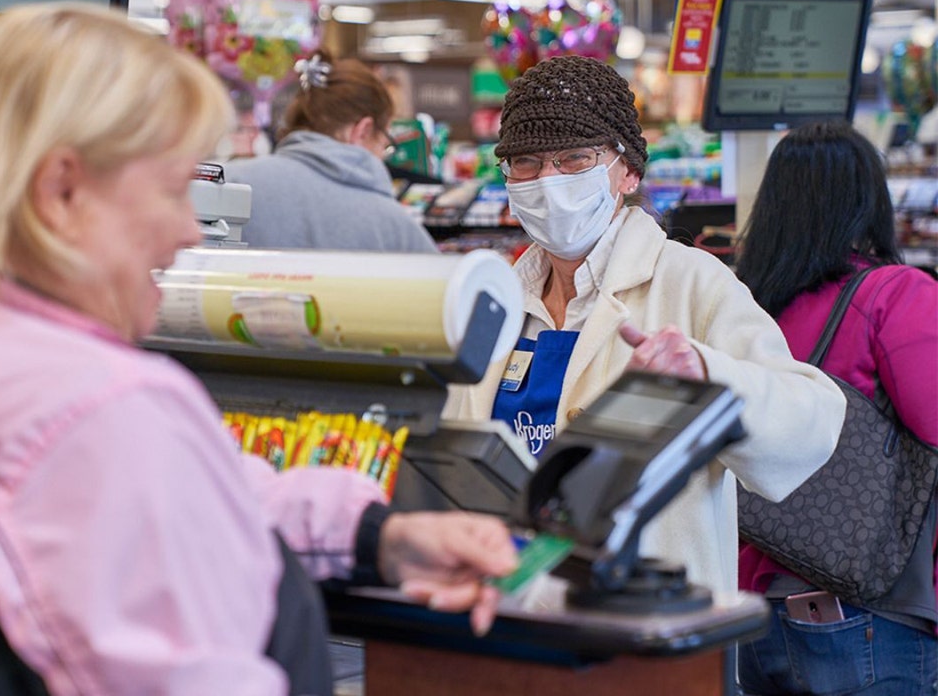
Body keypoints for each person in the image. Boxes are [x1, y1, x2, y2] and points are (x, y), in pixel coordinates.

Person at [0, 3, 518, 696]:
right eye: (170, 188)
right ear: (62, 190)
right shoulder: (103, 410)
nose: (190, 230)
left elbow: (190, 501)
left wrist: (377, 537)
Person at [442, 56, 845, 599]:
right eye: (527, 164)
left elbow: (813, 421)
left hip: (642, 620)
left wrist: (708, 374)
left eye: (575, 159)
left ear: (627, 171)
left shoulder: (690, 282)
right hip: (504, 613)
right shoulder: (496, 301)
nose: (548, 181)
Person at [734, 120, 938, 695]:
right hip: (871, 612)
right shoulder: (895, 294)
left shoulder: (745, 306)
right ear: (869, 200)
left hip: (755, 612)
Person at [224, 50, 438, 252]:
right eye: (385, 142)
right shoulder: (394, 227)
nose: (383, 156)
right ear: (362, 131)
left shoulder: (230, 183)